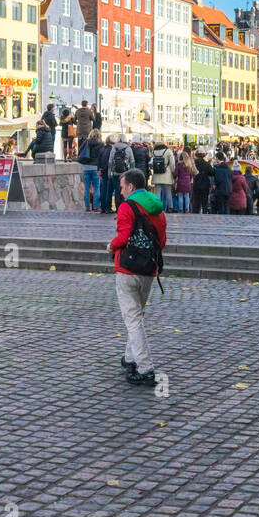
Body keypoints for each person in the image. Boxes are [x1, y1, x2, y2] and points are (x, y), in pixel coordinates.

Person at [108, 168, 167, 387]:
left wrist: (110, 247)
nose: (121, 192)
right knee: (136, 316)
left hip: (127, 269)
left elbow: (123, 237)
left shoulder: (127, 207)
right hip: (148, 269)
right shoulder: (157, 208)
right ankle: (130, 357)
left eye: (123, 187)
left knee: (133, 320)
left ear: (131, 187)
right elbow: (162, 240)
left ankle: (145, 367)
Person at [103, 134, 134, 212]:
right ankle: (123, 208)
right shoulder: (128, 148)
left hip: (115, 173)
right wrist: (132, 173)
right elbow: (132, 161)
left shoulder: (114, 148)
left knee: (117, 191)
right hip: (125, 173)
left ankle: (117, 208)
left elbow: (110, 161)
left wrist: (109, 172)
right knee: (125, 191)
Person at [79, 129, 103, 212]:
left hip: (86, 167)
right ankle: (96, 207)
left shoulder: (86, 142)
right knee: (97, 188)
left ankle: (87, 207)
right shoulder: (101, 144)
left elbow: (80, 151)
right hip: (95, 168)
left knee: (87, 188)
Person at [150, 140, 176, 209]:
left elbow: (151, 163)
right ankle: (170, 207)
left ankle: (157, 207)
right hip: (166, 174)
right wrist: (173, 172)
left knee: (157, 192)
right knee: (168, 193)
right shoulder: (168, 151)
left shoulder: (153, 152)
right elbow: (172, 164)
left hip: (156, 174)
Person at [175, 148, 195, 213]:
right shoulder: (189, 165)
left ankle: (180, 209)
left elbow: (175, 174)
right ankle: (187, 208)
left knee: (180, 196)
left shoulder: (179, 165)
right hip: (187, 182)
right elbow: (191, 174)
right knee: (187, 196)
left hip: (180, 182)